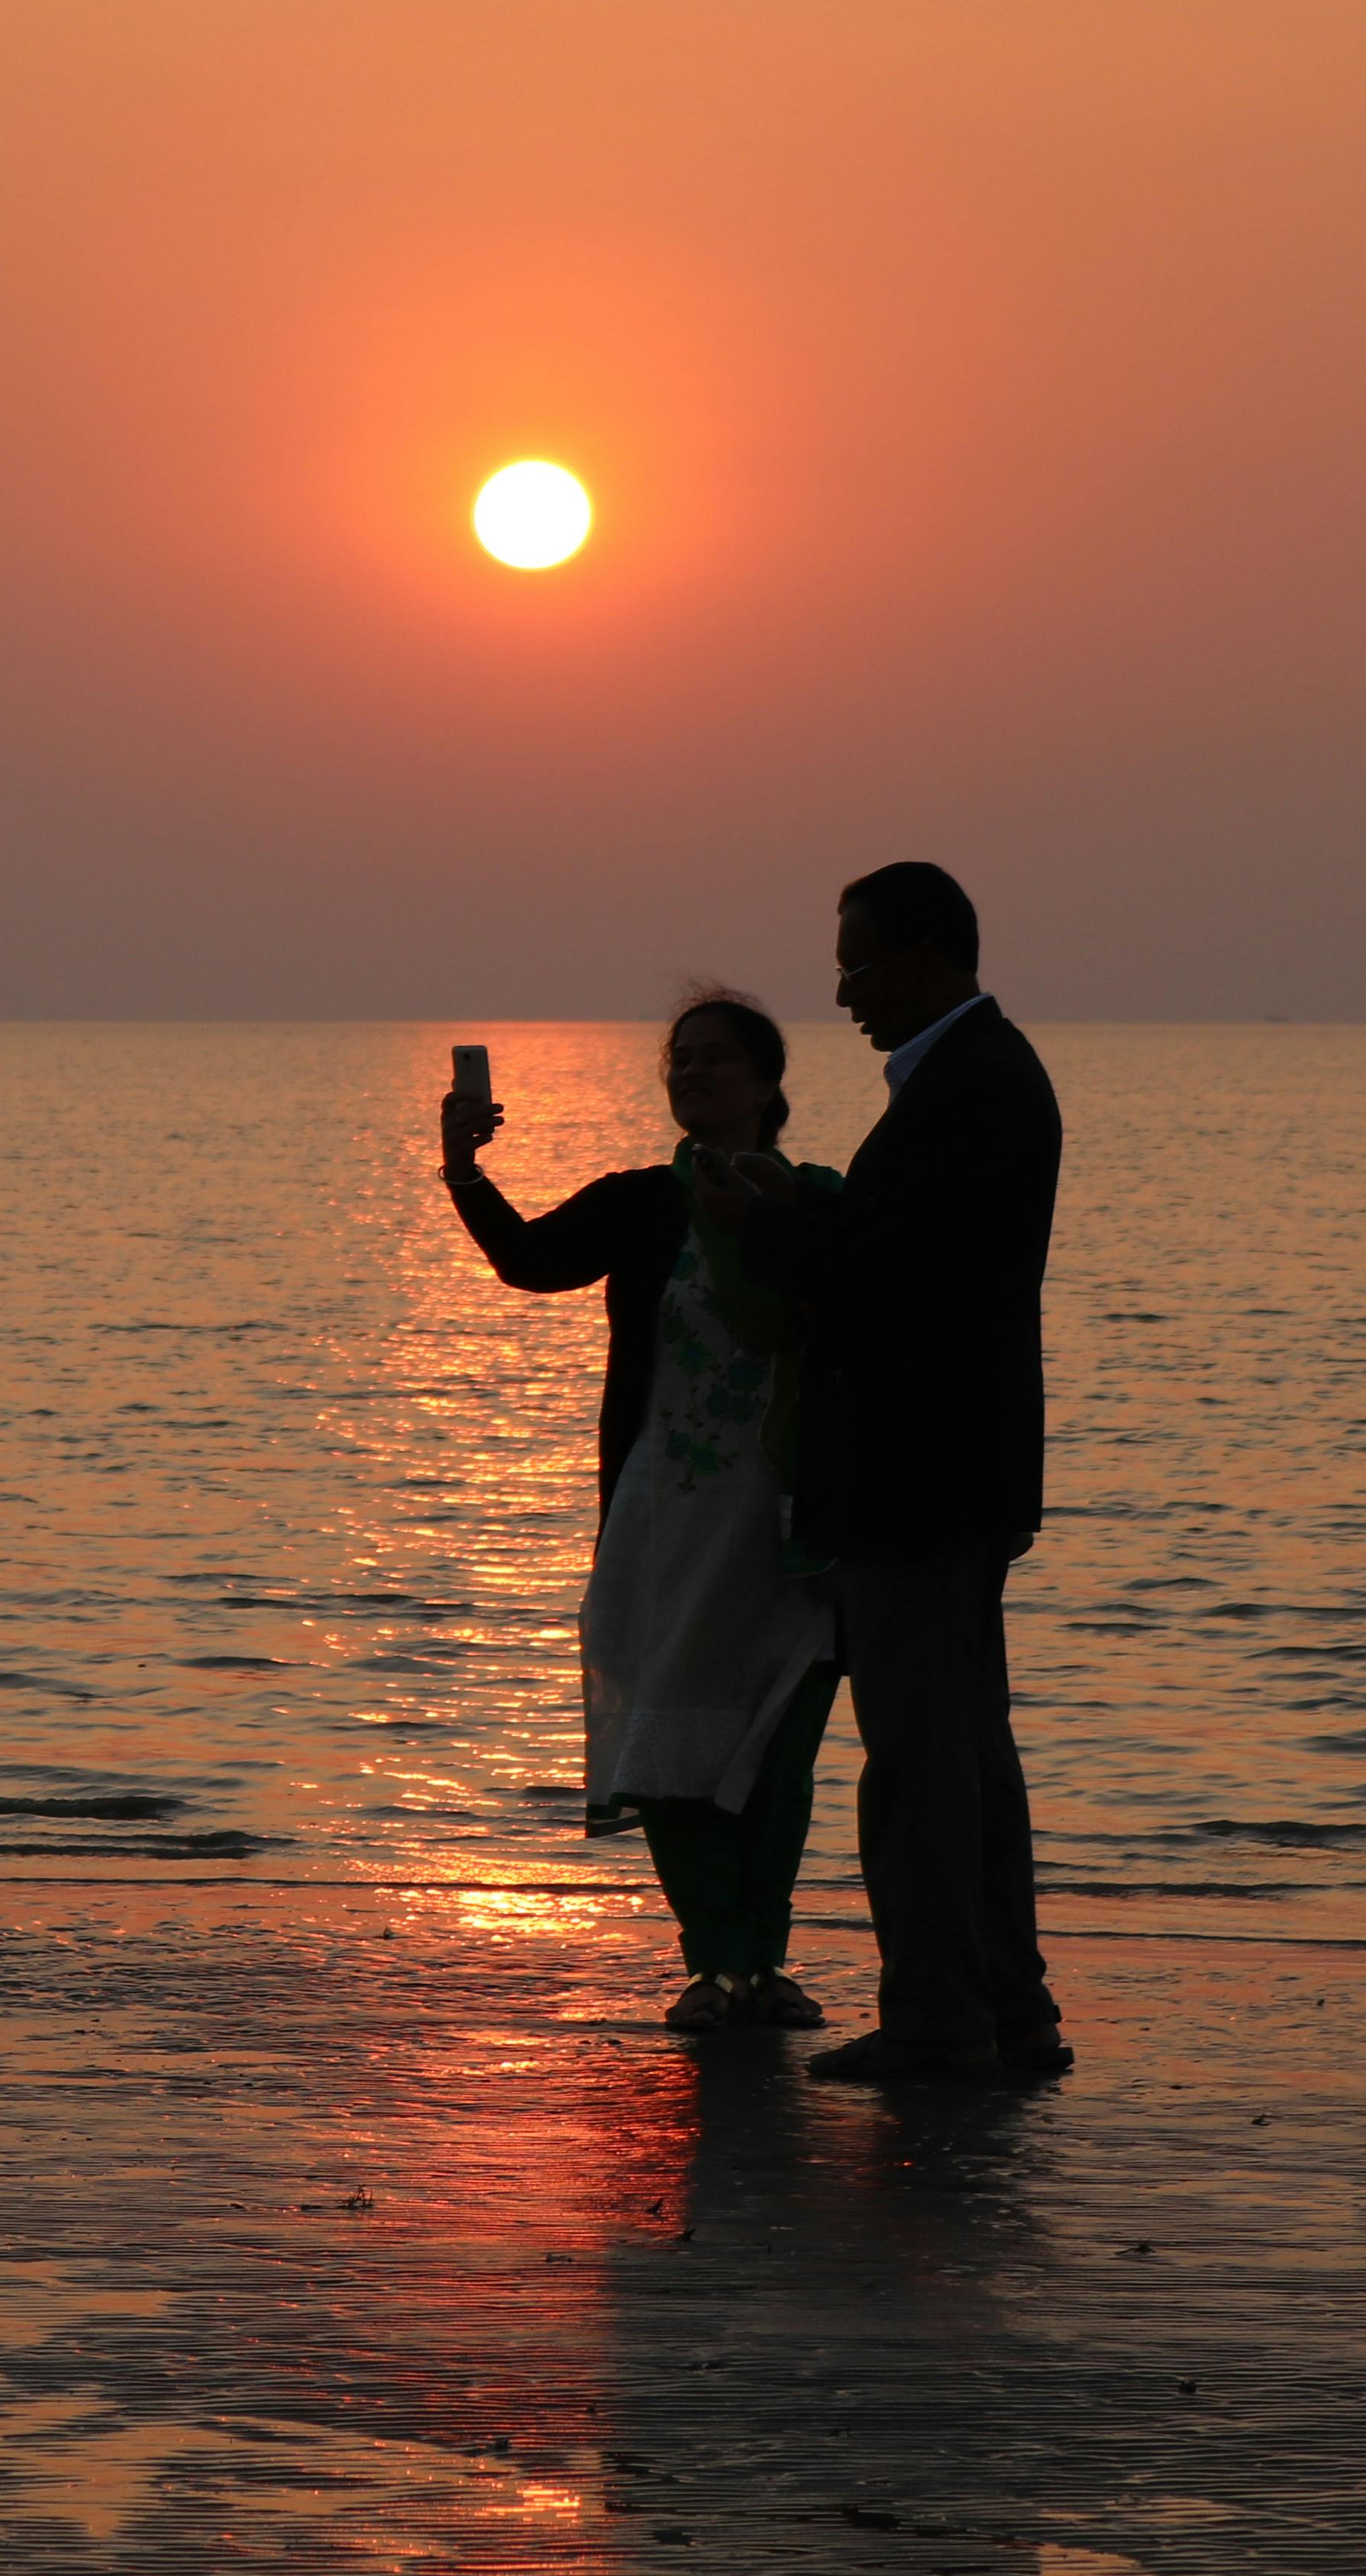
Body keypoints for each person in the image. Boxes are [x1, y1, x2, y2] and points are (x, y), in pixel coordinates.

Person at [700, 861, 1069, 2084]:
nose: (844, 989)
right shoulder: (985, 1080)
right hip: (964, 1472)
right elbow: (906, 1256)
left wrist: (770, 1225)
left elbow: (893, 1280)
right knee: (968, 1749)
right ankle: (1005, 2006)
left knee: (919, 1758)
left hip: (919, 1478)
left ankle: (937, 2016)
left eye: (858, 962)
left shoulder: (967, 1090)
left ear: (922, 959)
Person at [441, 996, 845, 2035]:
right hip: (662, 1523)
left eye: (717, 1060)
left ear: (768, 1085)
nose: (694, 1074)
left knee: (777, 1751)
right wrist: (464, 1171)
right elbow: (530, 1263)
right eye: (682, 1060)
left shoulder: (816, 1205)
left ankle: (765, 1963)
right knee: (670, 1745)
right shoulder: (640, 1204)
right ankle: (714, 1966)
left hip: (791, 1526)